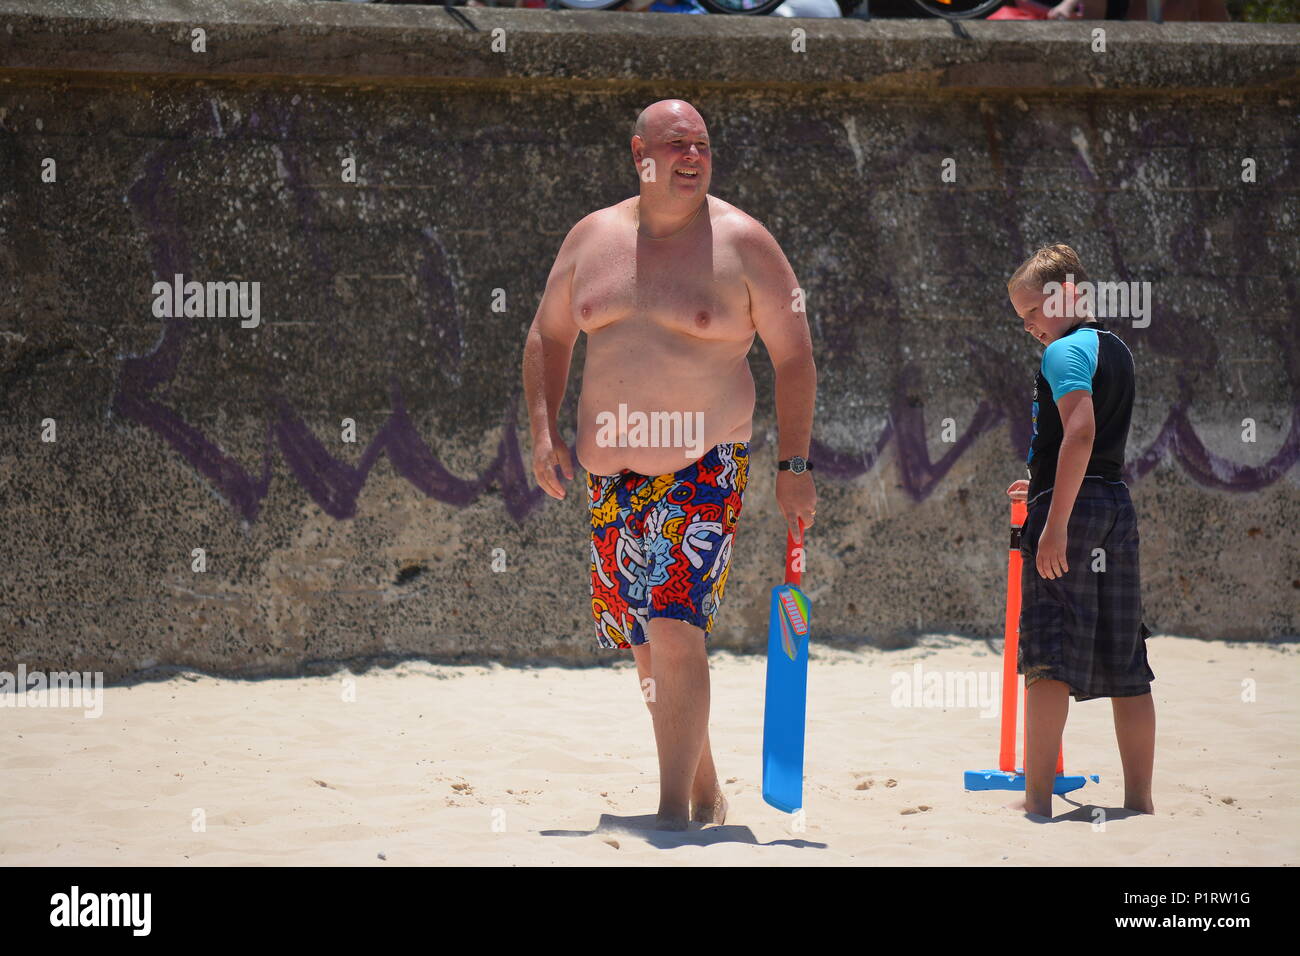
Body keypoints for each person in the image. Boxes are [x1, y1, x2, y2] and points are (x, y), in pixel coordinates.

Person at [522, 99, 817, 830]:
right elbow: (547, 335)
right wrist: (541, 429)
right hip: (610, 479)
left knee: (676, 624)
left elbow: (794, 354)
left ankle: (670, 817)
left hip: (702, 465)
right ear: (639, 153)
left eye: (704, 145)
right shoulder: (593, 238)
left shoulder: (743, 243)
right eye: (677, 143)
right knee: (648, 645)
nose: (693, 155)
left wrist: (795, 461)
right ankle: (706, 793)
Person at [1005, 244, 1156, 820]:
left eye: (1031, 313)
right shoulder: (1115, 349)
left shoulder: (1063, 350)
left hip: (1075, 511)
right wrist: (1040, 484)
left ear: (1065, 296)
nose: (1029, 328)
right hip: (1115, 504)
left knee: (1047, 654)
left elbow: (1081, 434)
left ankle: (1038, 799)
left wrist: (1054, 524)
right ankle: (1139, 800)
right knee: (1127, 659)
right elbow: (1094, 451)